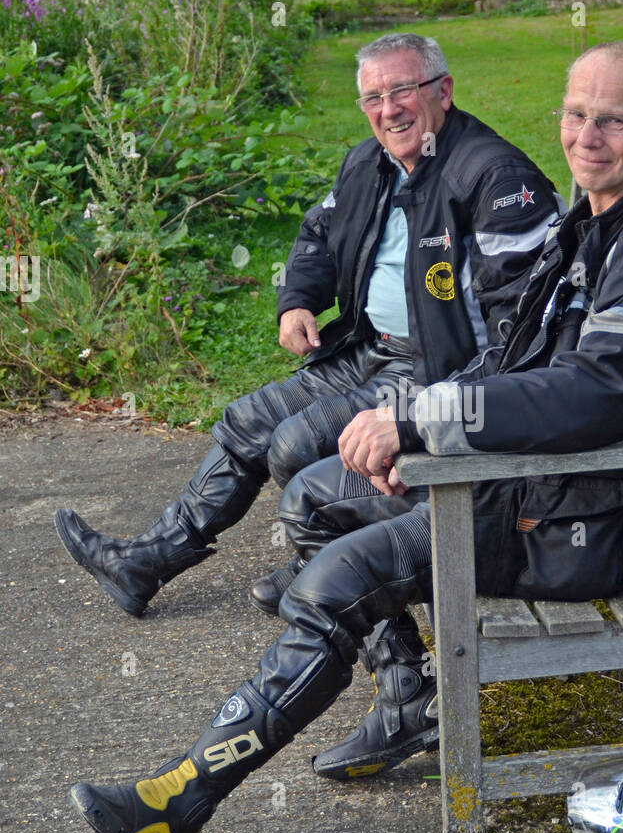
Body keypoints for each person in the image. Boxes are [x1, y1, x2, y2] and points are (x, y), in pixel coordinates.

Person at [70, 40, 623, 833]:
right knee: (315, 494)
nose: (586, 136)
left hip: (589, 523)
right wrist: (418, 424)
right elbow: (512, 357)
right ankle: (403, 696)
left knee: (331, 582)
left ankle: (180, 799)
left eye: (612, 120)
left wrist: (424, 422)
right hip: (524, 488)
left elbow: (598, 391)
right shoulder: (591, 226)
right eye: (574, 114)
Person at [54, 33, 560, 619]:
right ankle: (149, 558)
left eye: (402, 90)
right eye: (373, 97)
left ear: (442, 91)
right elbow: (318, 233)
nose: (388, 109)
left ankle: (319, 569)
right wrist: (296, 300)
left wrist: (437, 407)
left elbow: (521, 331)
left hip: (437, 372)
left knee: (296, 444)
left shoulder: (493, 177)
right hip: (371, 349)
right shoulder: (368, 163)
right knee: (249, 420)